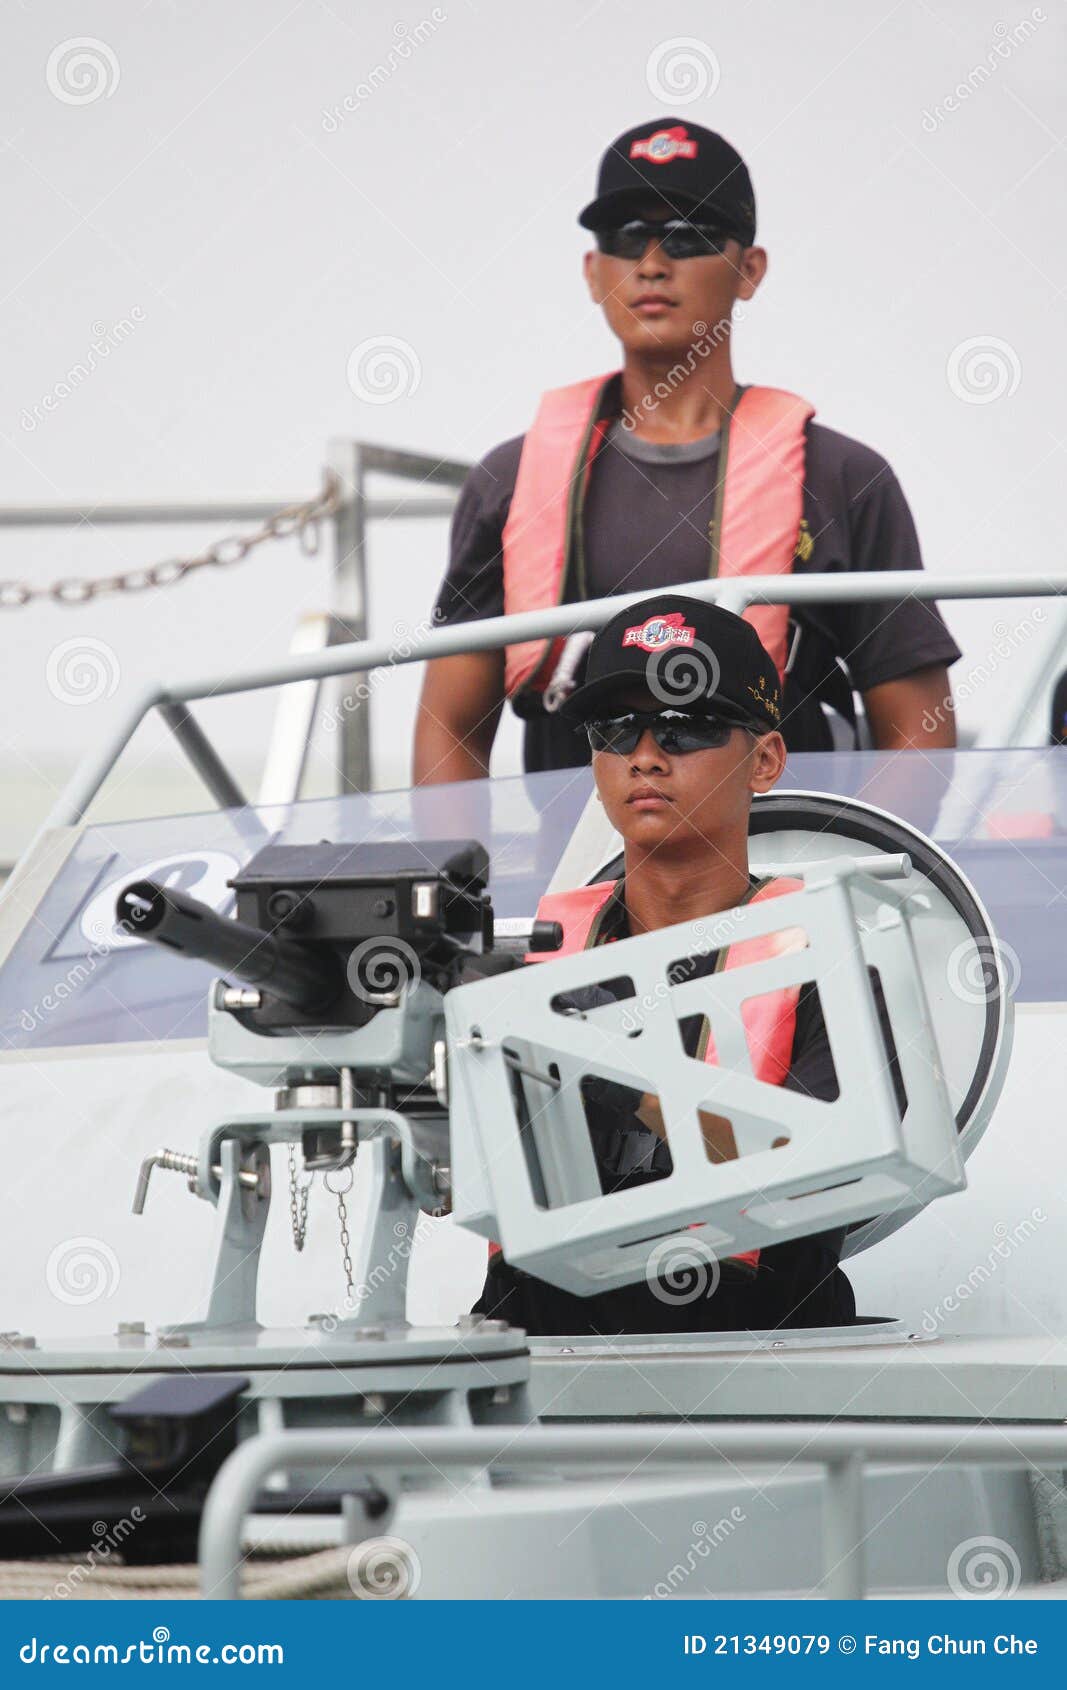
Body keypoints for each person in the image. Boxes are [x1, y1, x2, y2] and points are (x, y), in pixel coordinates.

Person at [415, 118, 961, 785]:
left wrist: (865, 874)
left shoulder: (845, 479)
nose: (651, 262)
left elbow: (917, 733)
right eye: (624, 237)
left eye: (688, 235)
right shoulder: (509, 482)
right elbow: (449, 728)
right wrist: (466, 888)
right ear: (592, 272)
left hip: (791, 873)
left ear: (749, 270)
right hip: (572, 878)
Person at [471, 592, 907, 1338]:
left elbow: (831, 1174)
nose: (644, 754)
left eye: (685, 726)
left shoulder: (823, 965)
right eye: (615, 730)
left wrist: (617, 1073)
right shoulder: (526, 961)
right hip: (534, 1364)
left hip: (757, 1373)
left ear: (764, 758)